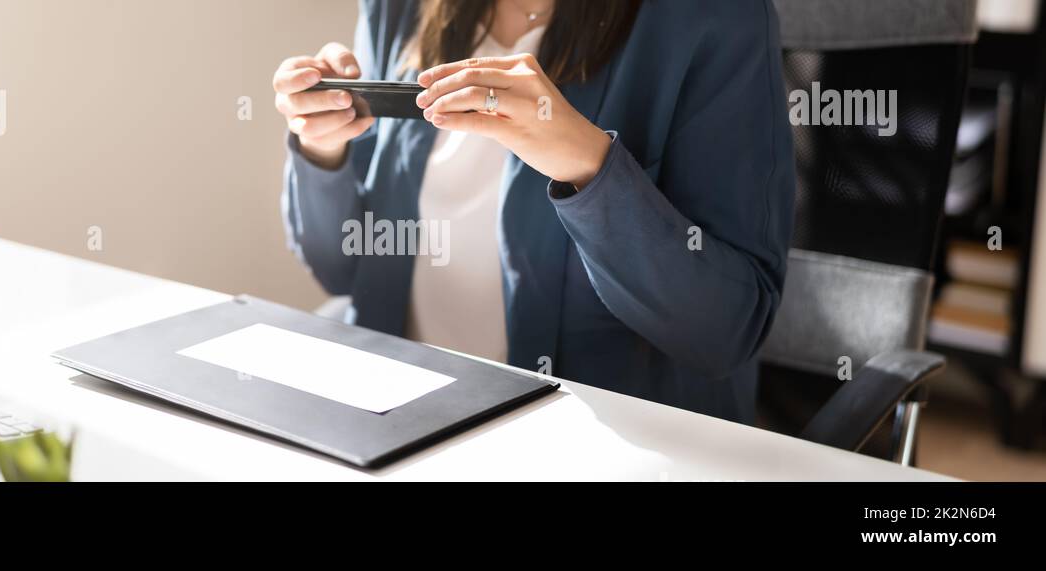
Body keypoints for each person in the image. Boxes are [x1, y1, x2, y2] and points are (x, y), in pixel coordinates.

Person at [274, 0, 795, 424]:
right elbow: (339, 269)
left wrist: (589, 166)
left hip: (593, 442)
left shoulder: (719, 18)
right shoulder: (399, 8)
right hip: (401, 421)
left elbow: (726, 333)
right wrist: (323, 149)